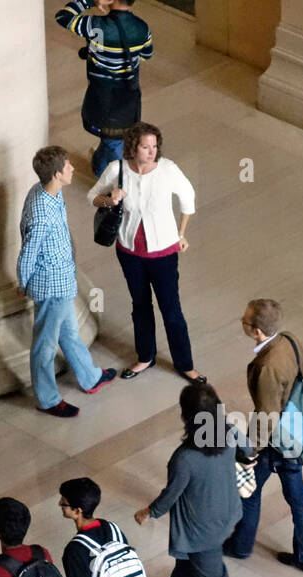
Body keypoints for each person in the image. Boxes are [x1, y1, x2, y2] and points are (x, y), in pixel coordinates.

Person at [137, 383, 277, 577]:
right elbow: (249, 452)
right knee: (187, 563)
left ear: (186, 418)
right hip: (227, 514)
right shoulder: (229, 432)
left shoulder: (184, 458)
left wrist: (148, 511)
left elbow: (171, 494)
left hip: (201, 532)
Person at [87, 122, 203, 383]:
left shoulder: (168, 169)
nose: (151, 151)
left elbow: (188, 199)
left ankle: (185, 364)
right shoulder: (117, 170)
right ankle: (145, 357)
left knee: (171, 310)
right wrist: (111, 199)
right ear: (133, 147)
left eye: (154, 146)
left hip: (163, 252)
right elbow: (92, 196)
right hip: (128, 251)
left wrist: (181, 235)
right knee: (140, 306)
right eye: (145, 147)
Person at [18, 146, 116, 418]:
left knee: (70, 333)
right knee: (45, 346)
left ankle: (90, 377)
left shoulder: (46, 192)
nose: (73, 168)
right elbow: (29, 250)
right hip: (52, 287)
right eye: (69, 165)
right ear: (57, 174)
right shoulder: (41, 211)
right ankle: (47, 399)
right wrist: (23, 282)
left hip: (63, 281)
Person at [223, 299, 303, 574]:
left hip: (276, 441)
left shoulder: (267, 367)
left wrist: (251, 452)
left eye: (245, 319)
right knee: (299, 499)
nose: (241, 320)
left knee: (249, 490)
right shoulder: (290, 340)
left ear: (256, 331)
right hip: (296, 430)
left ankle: (241, 546)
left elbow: (267, 414)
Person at [55, 0, 154, 177]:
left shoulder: (95, 25)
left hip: (101, 96)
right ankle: (101, 161)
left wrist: (90, 1)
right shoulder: (142, 28)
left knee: (113, 142)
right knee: (115, 137)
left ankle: (105, 177)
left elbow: (63, 16)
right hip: (128, 97)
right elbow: (146, 55)